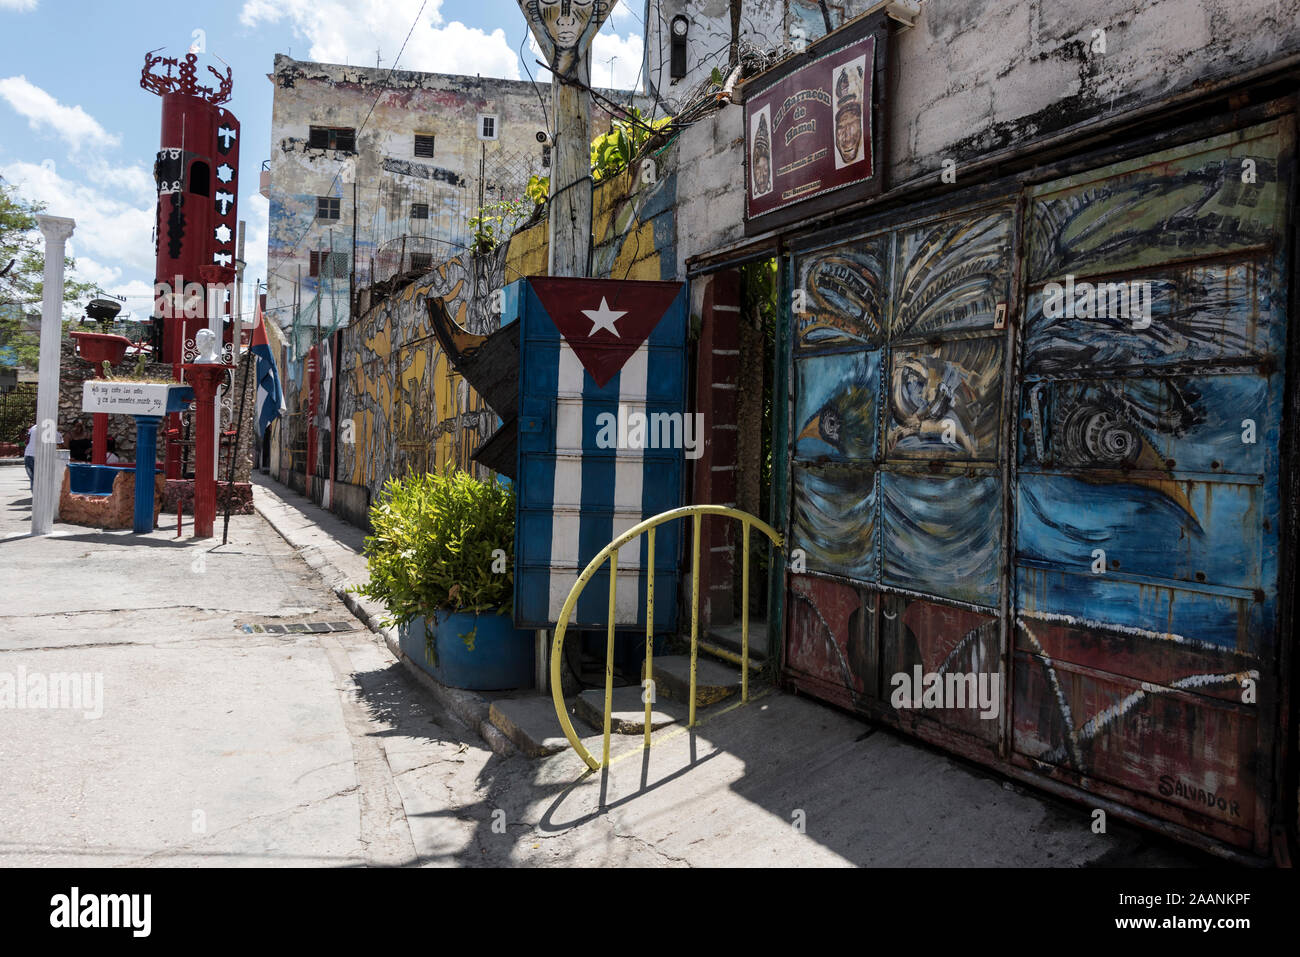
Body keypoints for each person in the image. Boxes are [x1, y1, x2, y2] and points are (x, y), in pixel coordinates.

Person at [23, 421, 65, 490]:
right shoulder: (52, 430)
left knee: (33, 479)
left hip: (28, 454)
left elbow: (27, 441)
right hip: (40, 456)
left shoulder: (34, 427)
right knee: (42, 479)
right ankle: (41, 497)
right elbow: (61, 446)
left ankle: (36, 497)